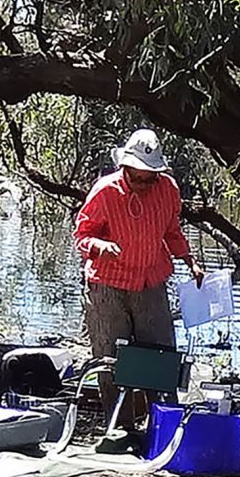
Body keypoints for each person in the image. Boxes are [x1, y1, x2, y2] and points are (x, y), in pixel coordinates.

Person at [73, 127, 204, 449]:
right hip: (107, 285)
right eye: (139, 176)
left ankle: (162, 424)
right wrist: (99, 245)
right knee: (109, 357)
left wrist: (189, 259)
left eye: (151, 177)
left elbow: (172, 230)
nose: (145, 182)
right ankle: (119, 429)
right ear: (126, 168)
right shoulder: (105, 191)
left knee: (159, 353)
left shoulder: (167, 189)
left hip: (150, 282)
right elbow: (82, 234)